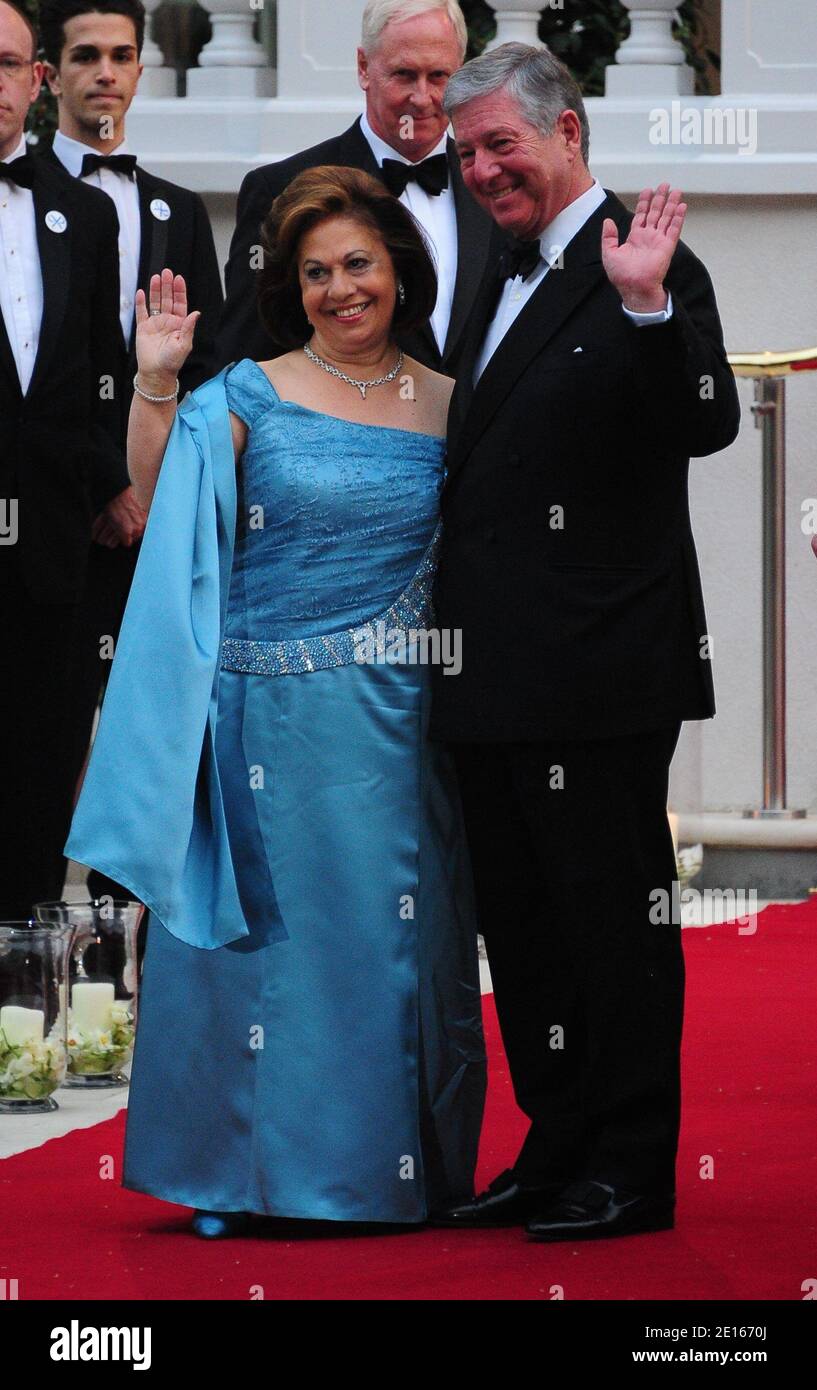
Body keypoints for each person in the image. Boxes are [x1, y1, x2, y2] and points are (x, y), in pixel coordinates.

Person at [64, 165, 486, 1236]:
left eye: (358, 265)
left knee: (388, 948)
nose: (340, 289)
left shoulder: (450, 401)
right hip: (261, 720)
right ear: (290, 288)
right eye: (314, 273)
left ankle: (384, 1175)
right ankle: (235, 1174)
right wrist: (157, 381)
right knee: (260, 959)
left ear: (399, 272)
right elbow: (164, 509)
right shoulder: (249, 390)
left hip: (399, 727)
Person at [428, 45, 741, 1241]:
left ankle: (630, 1165)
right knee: (527, 930)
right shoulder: (484, 273)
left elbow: (703, 421)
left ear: (569, 134)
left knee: (612, 926)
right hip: (490, 674)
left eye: (501, 143)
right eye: (465, 154)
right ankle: (555, 1145)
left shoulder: (650, 261)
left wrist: (649, 305)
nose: (482, 168)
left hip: (602, 675)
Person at [38, 0, 223, 905]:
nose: (105, 72)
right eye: (85, 56)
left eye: (121, 55)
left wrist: (156, 499)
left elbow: (212, 372)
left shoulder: (181, 212)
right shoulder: (19, 197)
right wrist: (104, 485)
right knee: (40, 763)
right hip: (43, 536)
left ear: (141, 70)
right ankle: (25, 998)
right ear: (51, 74)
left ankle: (126, 997)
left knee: (149, 764)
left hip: (156, 539)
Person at [0, 0, 125, 918]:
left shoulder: (81, 213)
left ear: (36, 81)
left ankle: (19, 1019)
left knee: (39, 790)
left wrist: (112, 486)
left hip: (52, 561)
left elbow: (96, 374)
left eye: (7, 65)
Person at [216, 0, 501, 378]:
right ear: (364, 68)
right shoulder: (278, 190)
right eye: (404, 74)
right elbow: (245, 360)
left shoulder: (496, 186)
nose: (422, 98)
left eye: (438, 76)